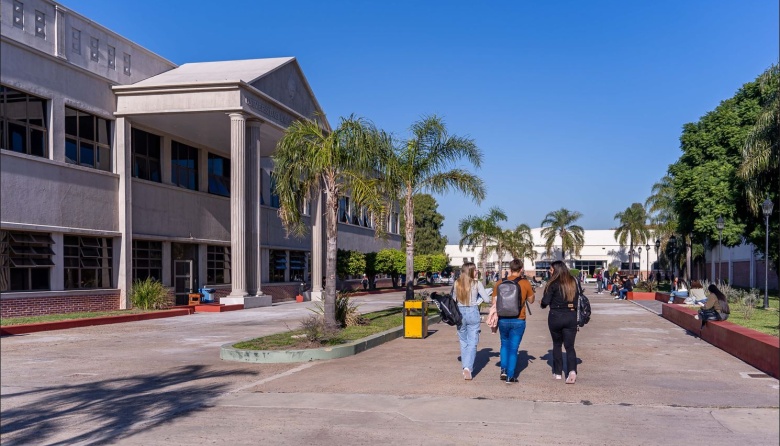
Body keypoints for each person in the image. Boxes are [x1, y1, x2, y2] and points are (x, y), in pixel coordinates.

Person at [491, 258, 535, 384]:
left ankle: (503, 370)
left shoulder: (500, 282)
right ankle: (510, 376)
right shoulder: (525, 283)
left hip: (503, 318)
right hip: (518, 319)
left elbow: (494, 301)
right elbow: (531, 300)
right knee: (514, 348)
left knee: (504, 344)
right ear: (521, 269)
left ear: (510, 269)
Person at [540, 260, 579, 384]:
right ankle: (572, 371)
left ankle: (557, 373)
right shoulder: (573, 281)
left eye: (551, 269)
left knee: (557, 344)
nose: (549, 271)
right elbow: (578, 298)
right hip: (571, 315)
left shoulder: (552, 283)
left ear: (556, 270)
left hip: (556, 316)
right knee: (570, 346)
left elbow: (545, 302)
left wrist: (542, 303)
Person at [453, 262, 490, 381]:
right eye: (475, 270)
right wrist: (478, 300)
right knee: (473, 342)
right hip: (472, 312)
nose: (477, 271)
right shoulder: (477, 283)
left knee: (463, 341)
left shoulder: (457, 283)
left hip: (459, 313)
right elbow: (487, 299)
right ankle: (468, 368)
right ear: (470, 271)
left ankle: (466, 367)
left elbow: (453, 300)